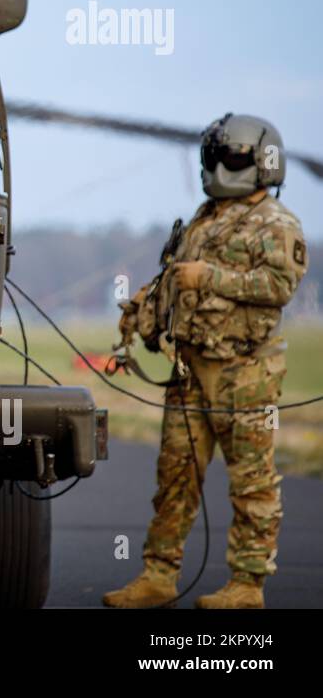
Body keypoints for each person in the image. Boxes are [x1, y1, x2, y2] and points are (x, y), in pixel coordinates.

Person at [105, 113, 308, 609]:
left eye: (231, 156)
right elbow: (176, 275)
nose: (219, 165)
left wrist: (210, 278)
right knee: (174, 477)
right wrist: (143, 314)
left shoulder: (277, 224)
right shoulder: (205, 216)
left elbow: (279, 288)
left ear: (262, 163)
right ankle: (158, 575)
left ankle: (247, 585)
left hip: (244, 377)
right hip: (189, 371)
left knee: (252, 483)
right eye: (213, 155)